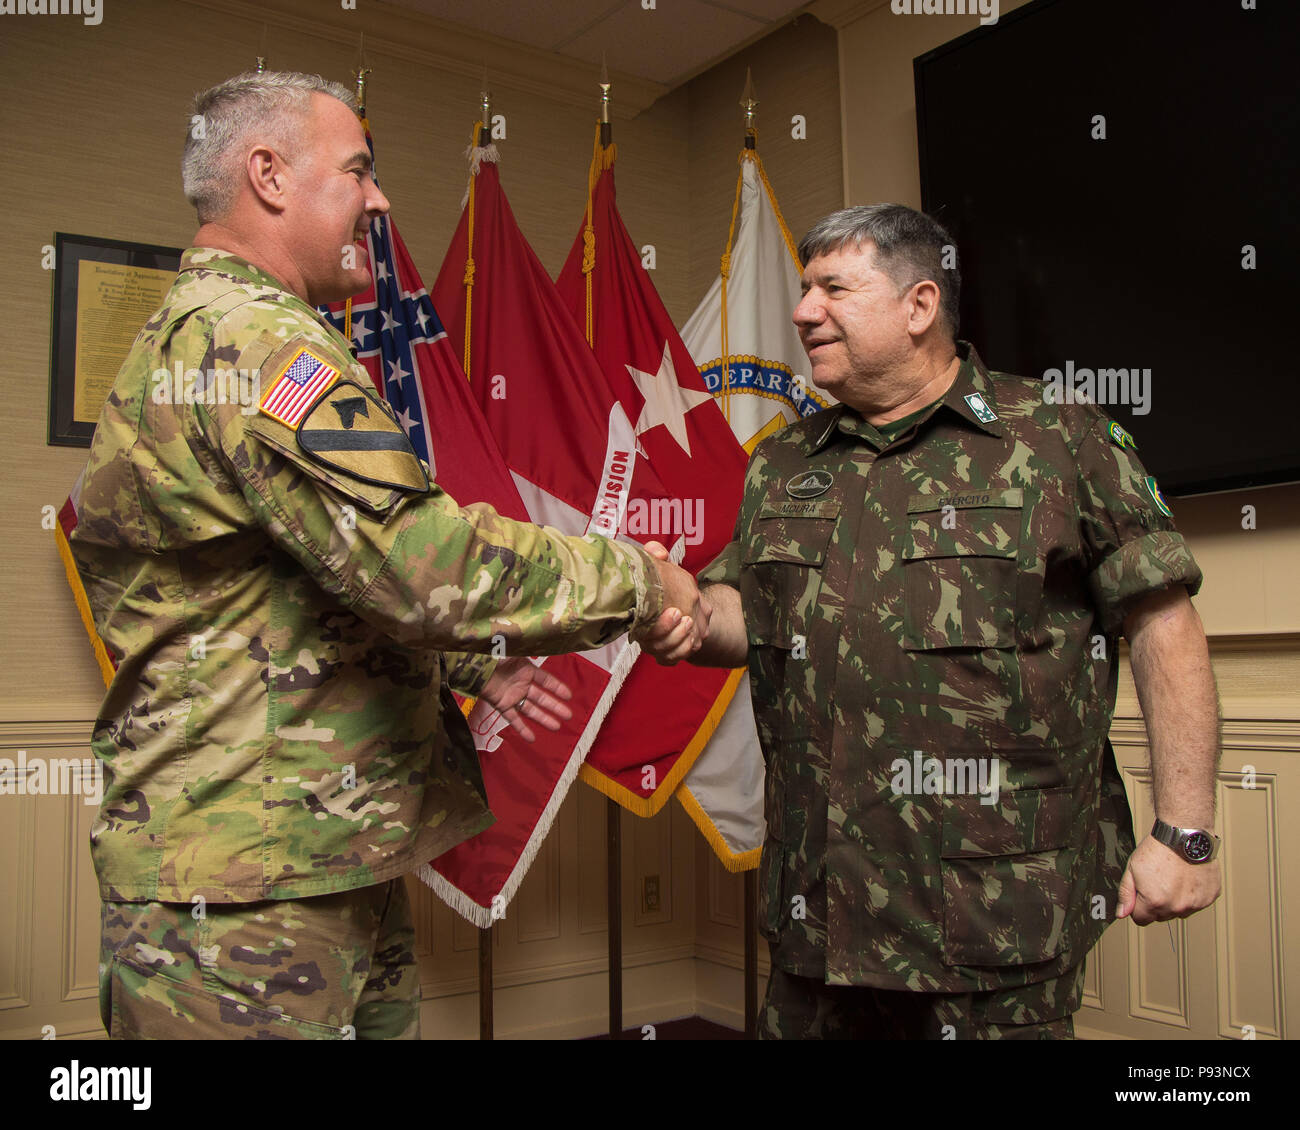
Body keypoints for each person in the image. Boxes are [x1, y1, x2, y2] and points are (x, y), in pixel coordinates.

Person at [72, 71, 706, 1040]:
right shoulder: (253, 343)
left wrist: (460, 666)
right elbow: (420, 558)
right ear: (269, 175)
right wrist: (638, 578)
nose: (379, 199)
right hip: (247, 883)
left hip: (317, 847)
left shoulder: (227, 336)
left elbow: (305, 569)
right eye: (359, 169)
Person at [642, 204, 1221, 1039]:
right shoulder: (781, 461)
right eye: (805, 290)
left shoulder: (1059, 438)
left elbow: (1165, 623)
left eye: (834, 289)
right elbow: (747, 614)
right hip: (819, 921)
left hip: (991, 929)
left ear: (919, 307)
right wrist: (687, 609)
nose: (804, 312)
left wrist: (1187, 833)